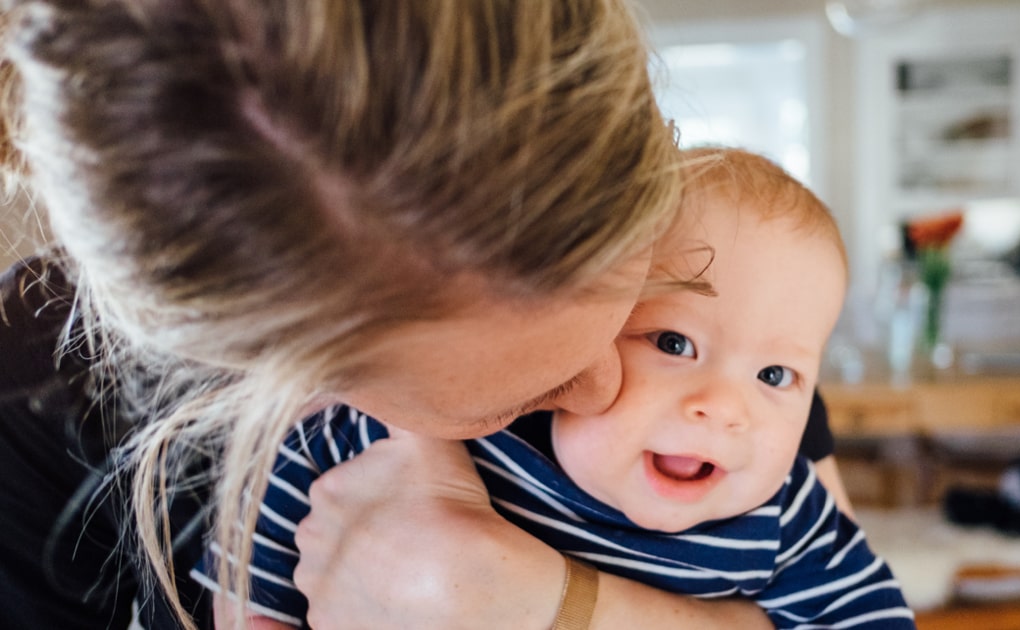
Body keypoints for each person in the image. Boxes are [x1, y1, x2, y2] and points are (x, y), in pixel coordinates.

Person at [0, 2, 842, 629]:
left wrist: (551, 604)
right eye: (520, 395)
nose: (609, 385)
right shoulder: (31, 402)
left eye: (638, 318)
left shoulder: (721, 322)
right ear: (291, 378)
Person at [211, 148, 914, 629]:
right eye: (673, 344)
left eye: (775, 376)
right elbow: (266, 533)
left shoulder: (785, 516)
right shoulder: (468, 423)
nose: (725, 408)